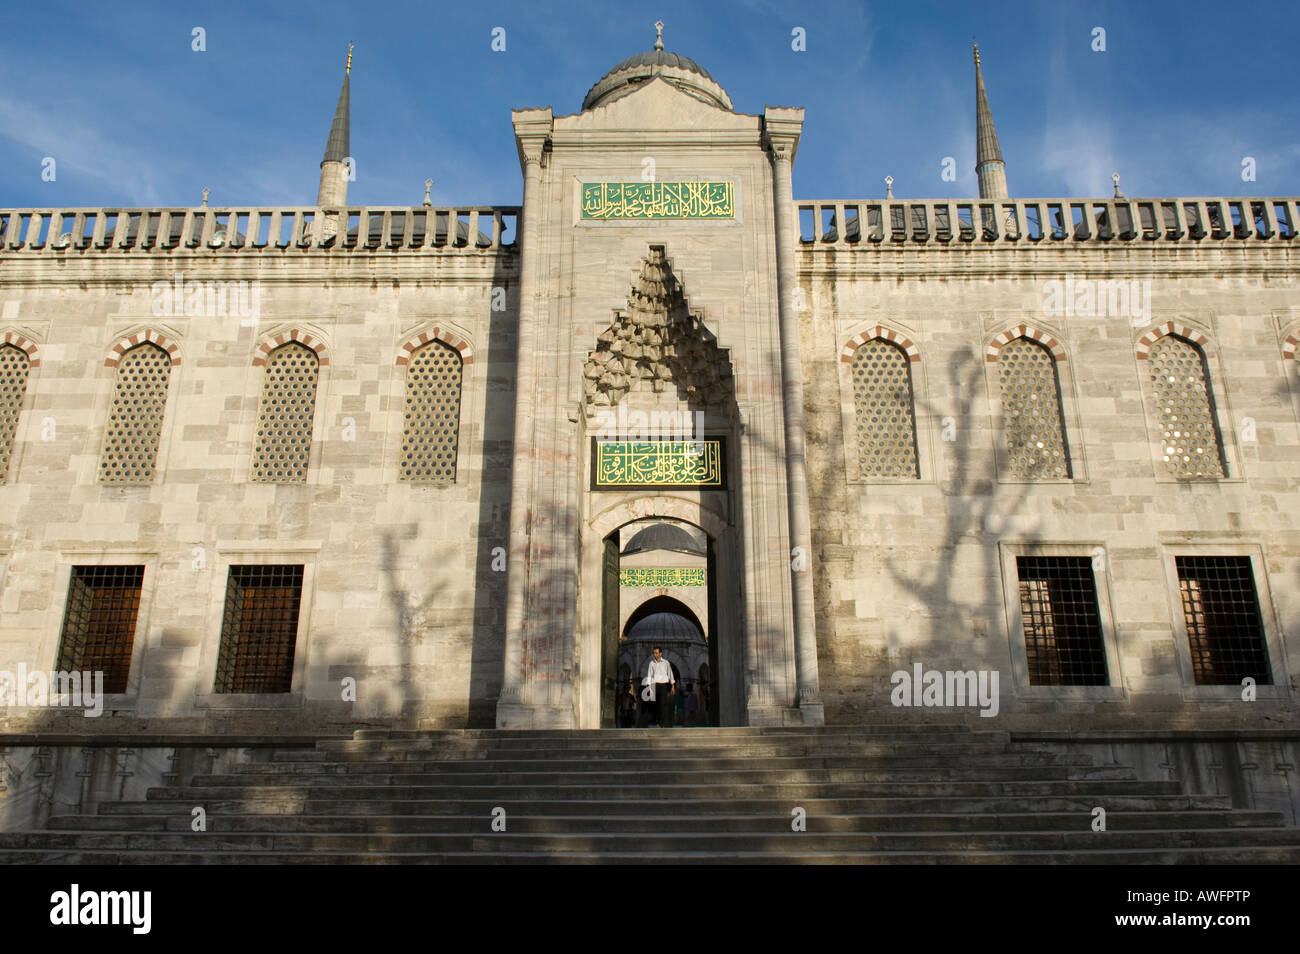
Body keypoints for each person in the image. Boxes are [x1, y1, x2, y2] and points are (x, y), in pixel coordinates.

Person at [644, 647, 675, 728]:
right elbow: (649, 675)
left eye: (657, 653)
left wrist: (672, 685)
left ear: (660, 653)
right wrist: (650, 689)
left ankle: (662, 723)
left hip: (664, 685)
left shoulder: (666, 663)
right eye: (654, 653)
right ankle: (657, 722)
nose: (655, 655)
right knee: (656, 704)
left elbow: (670, 673)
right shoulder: (651, 663)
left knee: (663, 704)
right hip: (655, 685)